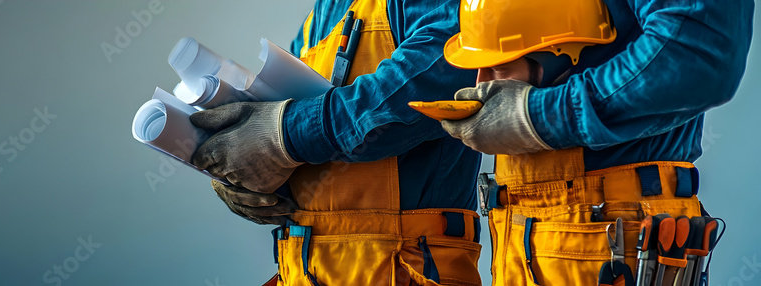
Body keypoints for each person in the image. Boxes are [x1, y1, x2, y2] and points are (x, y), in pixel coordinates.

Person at [436, 0, 753, 284]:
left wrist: (536, 116)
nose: (480, 85)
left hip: (609, 235)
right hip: (523, 236)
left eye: (498, 68)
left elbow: (696, 53)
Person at [188, 0, 486, 285]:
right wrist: (241, 173)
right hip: (306, 270)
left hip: (406, 268)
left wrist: (286, 134)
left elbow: (443, 72)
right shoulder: (320, 17)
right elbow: (288, 135)